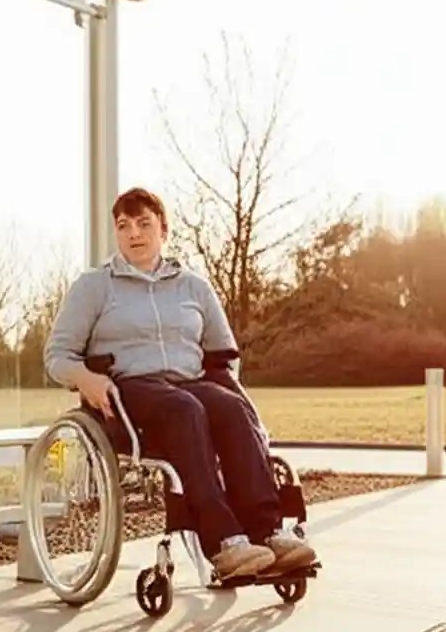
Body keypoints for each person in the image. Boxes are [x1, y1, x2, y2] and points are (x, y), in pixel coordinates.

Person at [43, 187, 318, 579]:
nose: (134, 233)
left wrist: (234, 398)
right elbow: (57, 357)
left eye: (144, 223)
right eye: (123, 226)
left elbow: (222, 357)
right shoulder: (94, 286)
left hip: (188, 384)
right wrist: (86, 379)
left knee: (230, 408)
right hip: (128, 389)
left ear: (164, 230)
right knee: (185, 409)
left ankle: (268, 531)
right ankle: (224, 542)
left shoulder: (194, 287)